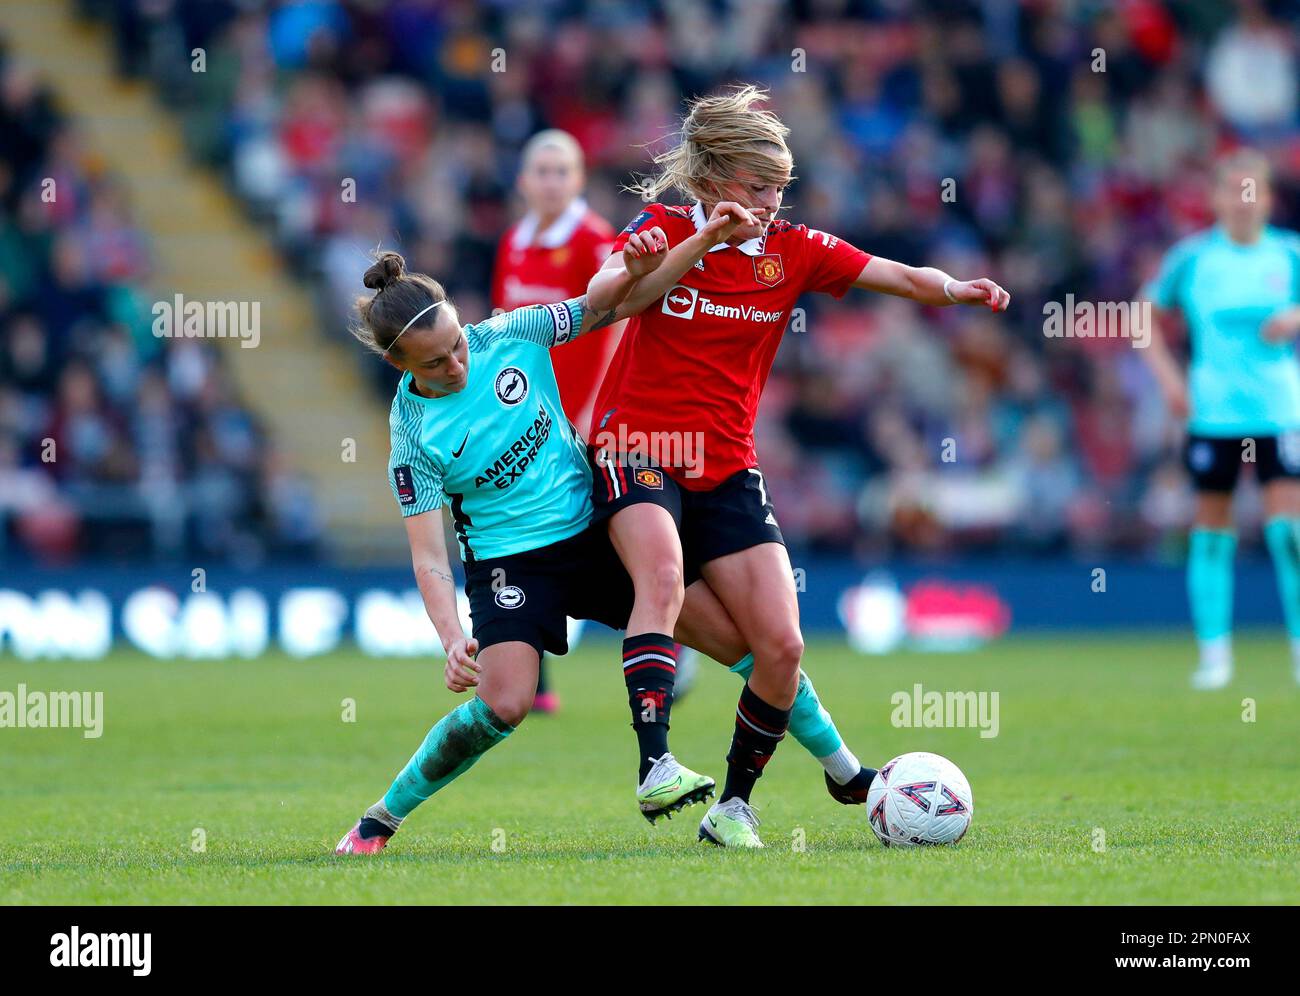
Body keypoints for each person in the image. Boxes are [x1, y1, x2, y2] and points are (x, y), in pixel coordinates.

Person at [335, 202, 857, 852]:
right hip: (511, 564)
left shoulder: (509, 333)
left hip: (595, 530)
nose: (458, 366)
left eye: (458, 345)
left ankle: (846, 771)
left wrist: (642, 263)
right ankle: (379, 820)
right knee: (503, 706)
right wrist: (450, 637)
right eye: (436, 363)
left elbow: (602, 304)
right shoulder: (411, 436)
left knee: (751, 647)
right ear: (399, 366)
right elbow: (429, 555)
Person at [586, 85, 1010, 847]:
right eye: (759, 187)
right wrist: (692, 245)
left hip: (725, 469)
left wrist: (956, 289)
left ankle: (735, 805)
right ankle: (656, 764)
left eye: (782, 187)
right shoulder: (662, 228)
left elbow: (896, 275)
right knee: (663, 580)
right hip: (636, 452)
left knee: (779, 648)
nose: (774, 201)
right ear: (715, 182)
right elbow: (609, 301)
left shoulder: (796, 251)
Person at [1142, 149, 1300, 690]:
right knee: (1211, 534)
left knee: (1288, 533)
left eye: (1251, 190)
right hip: (1213, 414)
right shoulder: (1193, 258)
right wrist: (1168, 379)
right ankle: (1215, 656)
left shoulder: (1289, 254)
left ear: (1268, 198)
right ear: (1215, 198)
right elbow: (1143, 315)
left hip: (1279, 411)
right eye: (1232, 189)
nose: (1242, 201)